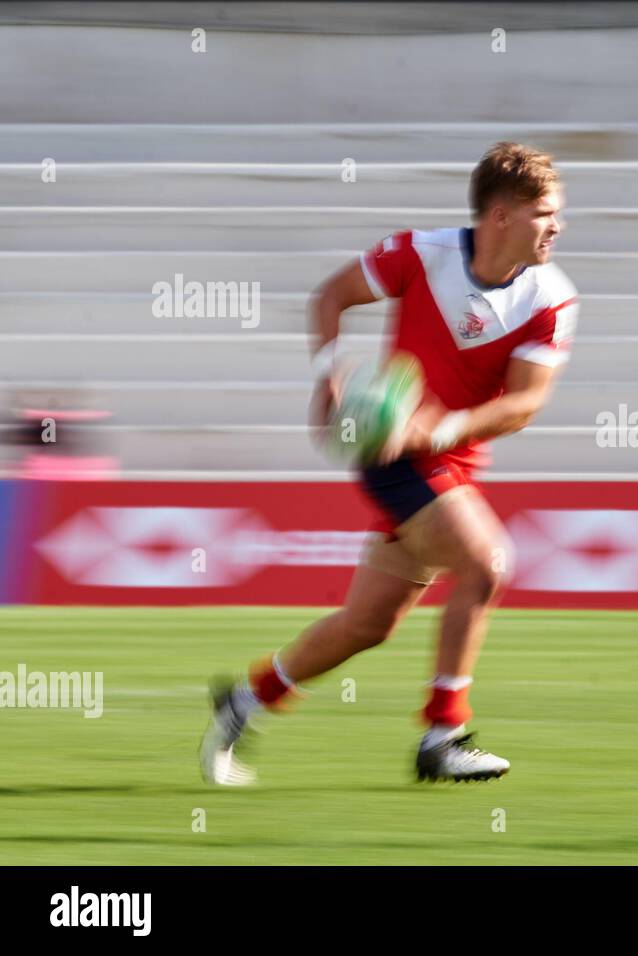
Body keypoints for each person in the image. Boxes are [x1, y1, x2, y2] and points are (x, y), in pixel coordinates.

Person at [201, 142, 578, 786]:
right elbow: (330, 298)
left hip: (447, 460)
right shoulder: (419, 254)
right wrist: (330, 379)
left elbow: (525, 404)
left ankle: (243, 701)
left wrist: (441, 426)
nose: (558, 226)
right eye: (545, 212)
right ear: (500, 216)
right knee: (487, 564)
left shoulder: (552, 298)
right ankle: (443, 734)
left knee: (366, 625)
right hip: (394, 458)